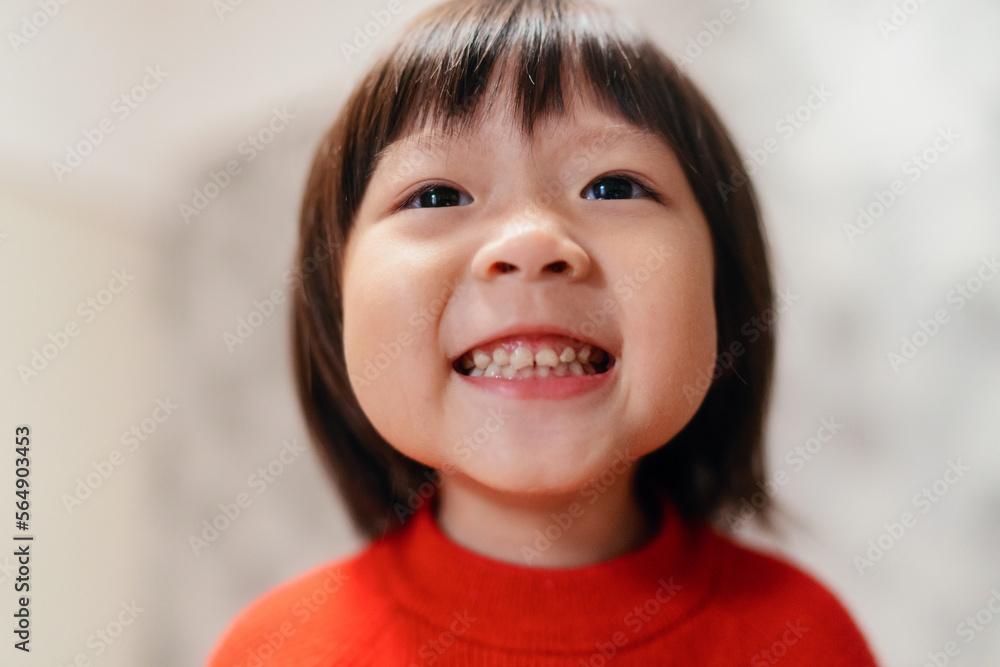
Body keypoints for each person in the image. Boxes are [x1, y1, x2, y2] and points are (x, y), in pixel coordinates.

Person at [207, 0, 878, 663]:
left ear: (721, 290)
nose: (531, 241)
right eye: (437, 196)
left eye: (613, 186)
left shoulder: (807, 638)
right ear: (336, 306)